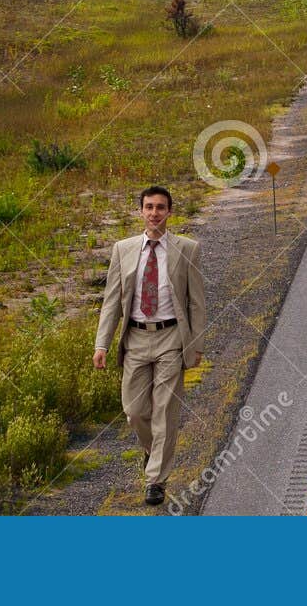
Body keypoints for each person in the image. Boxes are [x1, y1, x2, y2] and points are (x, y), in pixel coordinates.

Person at [93, 186, 206, 507]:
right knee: (134, 412)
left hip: (172, 338)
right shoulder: (123, 250)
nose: (154, 212)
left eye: (161, 207)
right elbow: (111, 302)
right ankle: (153, 451)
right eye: (149, 207)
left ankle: (155, 479)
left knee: (165, 413)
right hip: (137, 339)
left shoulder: (188, 249)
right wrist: (102, 343)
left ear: (170, 212)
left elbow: (197, 302)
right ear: (140, 211)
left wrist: (196, 344)